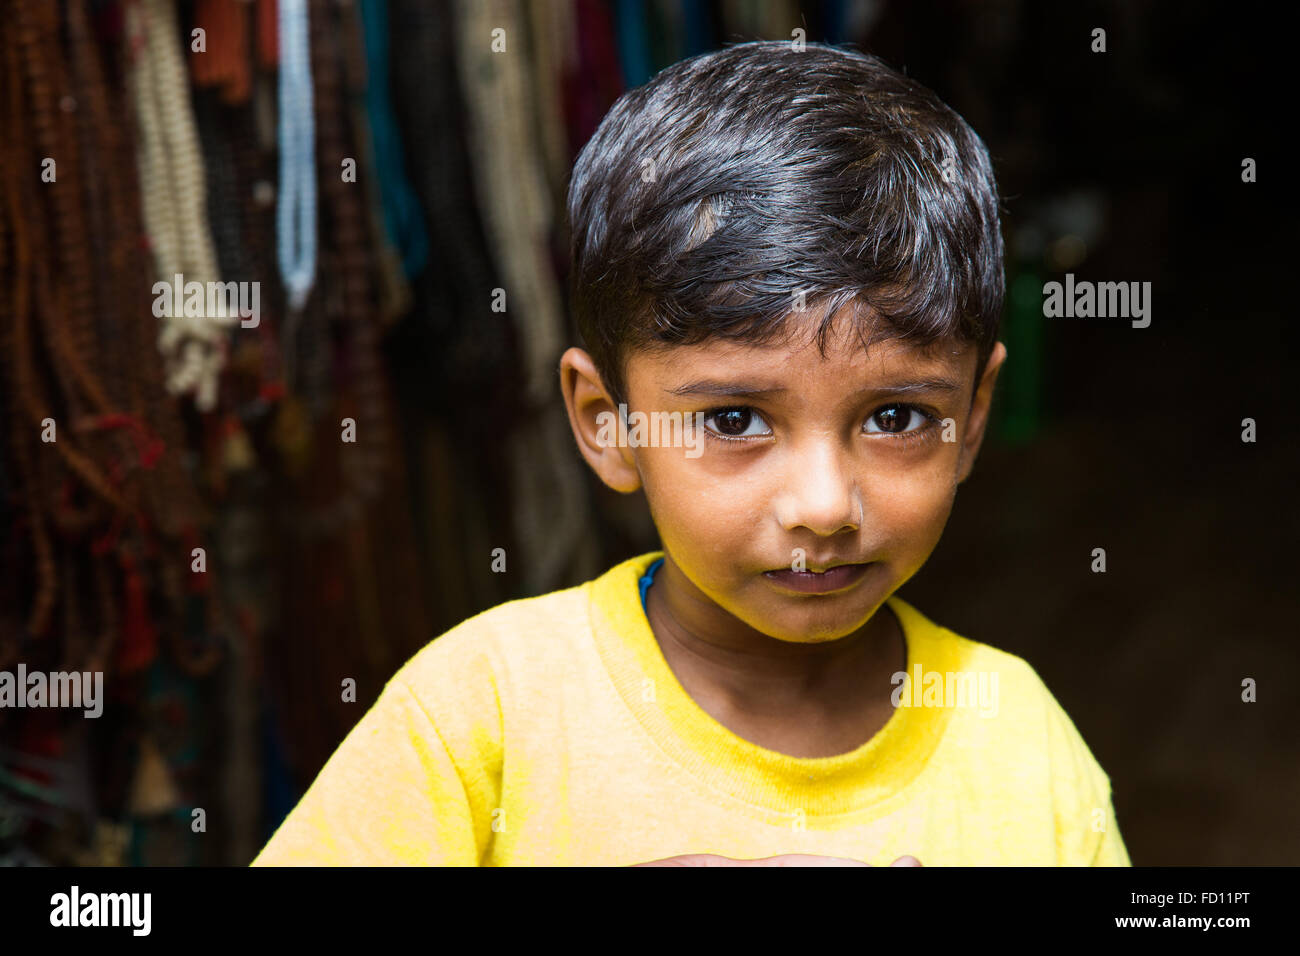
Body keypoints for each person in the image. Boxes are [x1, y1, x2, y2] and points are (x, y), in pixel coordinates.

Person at [252, 40, 1130, 866]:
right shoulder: (481, 713)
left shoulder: (1022, 740)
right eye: (736, 420)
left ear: (972, 419)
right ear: (608, 423)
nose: (823, 506)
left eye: (897, 417)